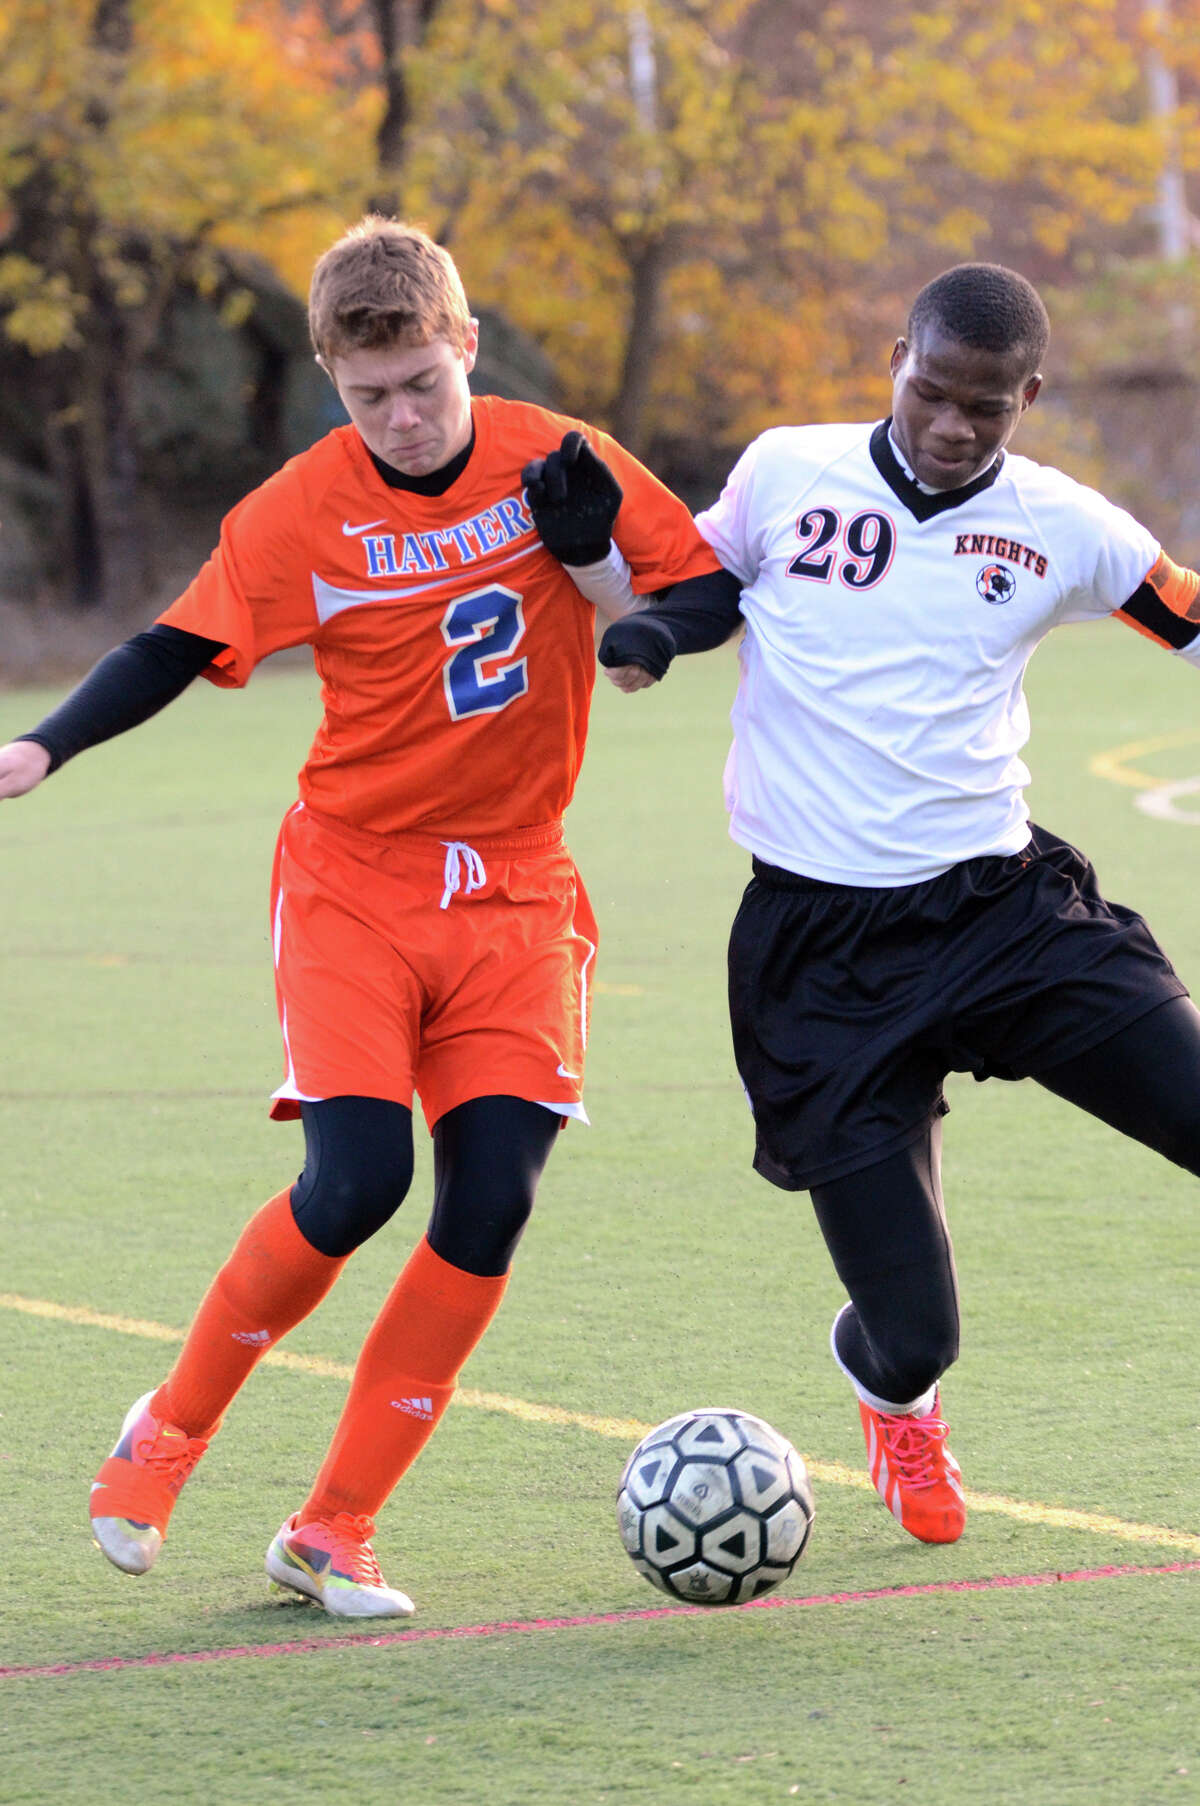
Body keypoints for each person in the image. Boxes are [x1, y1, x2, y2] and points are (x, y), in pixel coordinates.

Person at [0, 216, 720, 1617]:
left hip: (518, 885)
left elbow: (699, 593)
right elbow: (172, 644)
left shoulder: (555, 457)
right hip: (358, 880)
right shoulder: (302, 507)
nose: (397, 419)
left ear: (464, 342)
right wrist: (44, 744)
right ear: (336, 376)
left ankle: (332, 1527)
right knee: (355, 1181)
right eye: (365, 395)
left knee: (493, 1199)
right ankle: (167, 1432)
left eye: (420, 386)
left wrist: (610, 594)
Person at [537, 262, 1200, 1548]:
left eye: (988, 410)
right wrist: (602, 578)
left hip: (1003, 918)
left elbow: (1184, 615)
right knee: (916, 1332)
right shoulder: (789, 471)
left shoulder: (1068, 526)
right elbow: (690, 592)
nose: (955, 426)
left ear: (1030, 398)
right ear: (896, 356)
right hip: (818, 954)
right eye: (934, 391)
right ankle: (894, 1399)